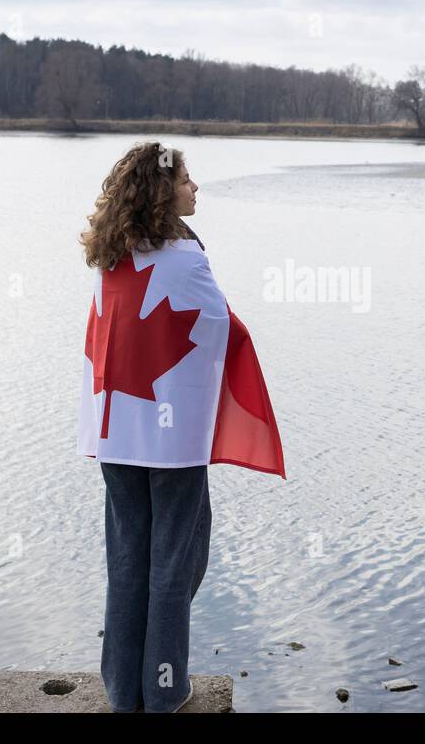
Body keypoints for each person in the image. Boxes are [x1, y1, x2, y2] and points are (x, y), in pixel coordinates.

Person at [77, 141, 284, 713]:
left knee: (127, 559)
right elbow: (220, 328)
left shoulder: (109, 255)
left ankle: (125, 692)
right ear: (164, 192)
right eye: (188, 180)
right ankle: (164, 689)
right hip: (169, 441)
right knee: (176, 560)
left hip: (116, 431)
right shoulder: (186, 257)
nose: (196, 189)